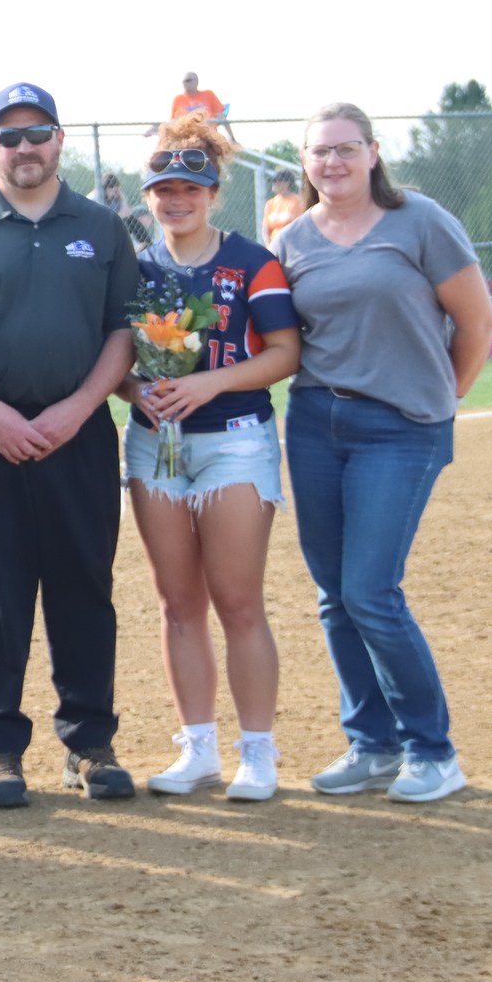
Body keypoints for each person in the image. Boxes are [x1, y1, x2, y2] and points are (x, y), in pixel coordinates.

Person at [0, 82, 141, 808]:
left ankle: (88, 741)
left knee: (84, 583)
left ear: (59, 139)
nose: (24, 148)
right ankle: (0, 751)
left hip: (76, 432)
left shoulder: (101, 227)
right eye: (8, 137)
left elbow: (122, 329)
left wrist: (80, 408)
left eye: (37, 132)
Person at [278, 101, 492, 803]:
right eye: (319, 152)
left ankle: (432, 749)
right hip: (316, 421)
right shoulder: (293, 241)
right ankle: (371, 744)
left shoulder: (421, 221)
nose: (332, 163)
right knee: (335, 595)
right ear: (305, 163)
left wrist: (438, 402)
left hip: (401, 426)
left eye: (346, 148)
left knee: (373, 590)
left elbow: (476, 320)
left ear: (373, 152)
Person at [116, 115, 302, 801]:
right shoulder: (135, 268)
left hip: (235, 440)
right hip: (152, 441)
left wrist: (207, 382)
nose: (175, 199)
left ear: (213, 190)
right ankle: (197, 748)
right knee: (177, 601)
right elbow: (115, 359)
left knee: (238, 601)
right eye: (162, 188)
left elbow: (285, 351)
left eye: (189, 188)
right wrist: (139, 389)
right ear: (147, 195)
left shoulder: (253, 261)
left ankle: (259, 751)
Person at [102, 172, 154, 248]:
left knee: (131, 220)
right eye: (114, 190)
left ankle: (148, 244)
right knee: (127, 220)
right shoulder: (99, 199)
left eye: (118, 190)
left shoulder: (116, 200)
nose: (117, 193)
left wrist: (122, 196)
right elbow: (113, 219)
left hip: (117, 225)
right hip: (106, 229)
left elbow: (128, 213)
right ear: (106, 189)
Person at [262, 169, 304, 249]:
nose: (274, 184)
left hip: (292, 247)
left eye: (278, 181)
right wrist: (269, 247)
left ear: (287, 183)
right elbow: (265, 230)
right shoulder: (270, 203)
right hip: (274, 247)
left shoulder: (298, 201)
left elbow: (300, 227)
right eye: (273, 181)